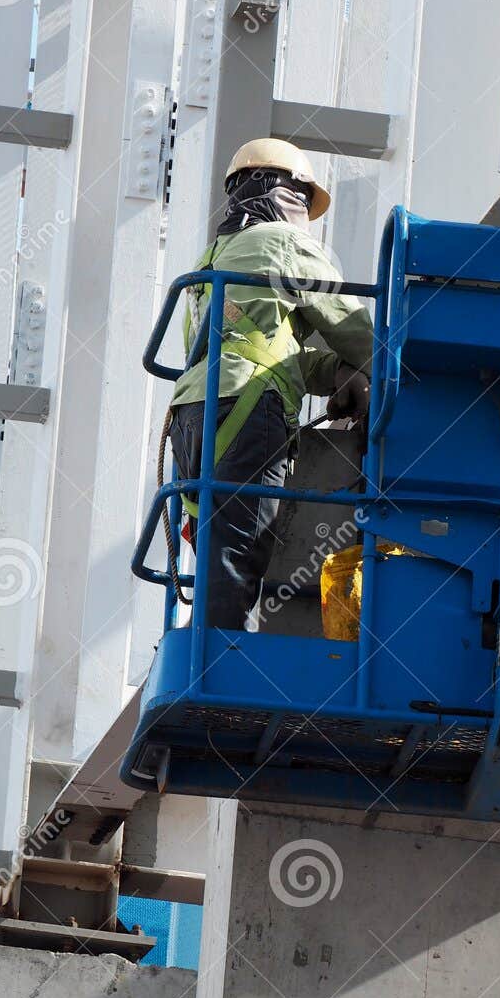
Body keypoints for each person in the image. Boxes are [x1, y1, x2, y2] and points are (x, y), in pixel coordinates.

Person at [167, 139, 374, 631]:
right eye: (301, 197)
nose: (303, 211)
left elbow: (262, 345)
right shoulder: (285, 242)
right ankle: (220, 661)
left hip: (193, 414)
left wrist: (337, 374)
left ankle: (207, 649)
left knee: (222, 543)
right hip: (249, 408)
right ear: (278, 191)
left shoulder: (211, 260)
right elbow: (352, 326)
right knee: (240, 545)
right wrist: (400, 368)